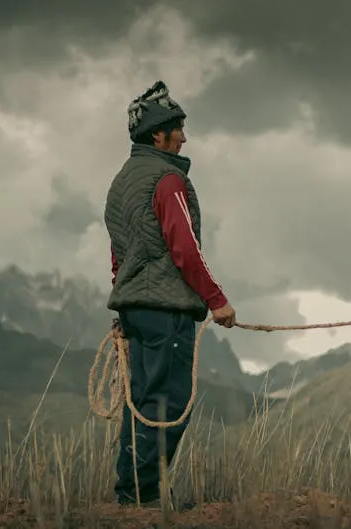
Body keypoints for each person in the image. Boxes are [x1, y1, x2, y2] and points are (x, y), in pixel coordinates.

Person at [103, 80, 237, 508]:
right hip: (165, 310)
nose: (184, 136)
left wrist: (123, 303)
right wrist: (217, 300)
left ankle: (131, 492)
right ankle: (144, 497)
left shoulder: (121, 182)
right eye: (178, 128)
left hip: (136, 309)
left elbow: (119, 255)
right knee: (169, 402)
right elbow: (184, 249)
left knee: (140, 401)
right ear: (158, 135)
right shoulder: (168, 180)